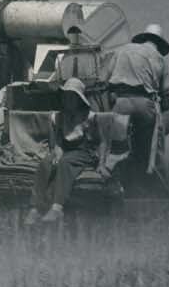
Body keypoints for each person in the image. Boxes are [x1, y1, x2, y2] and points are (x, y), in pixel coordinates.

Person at [26, 78, 111, 225]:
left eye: (72, 97)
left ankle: (57, 207)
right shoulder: (58, 117)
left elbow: (102, 141)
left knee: (65, 163)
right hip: (65, 150)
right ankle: (35, 208)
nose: (68, 100)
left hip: (84, 152)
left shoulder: (89, 117)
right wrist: (56, 152)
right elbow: (57, 142)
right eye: (66, 96)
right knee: (45, 163)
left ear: (79, 99)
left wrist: (102, 164)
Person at [107, 22, 169, 176]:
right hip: (144, 105)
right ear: (159, 43)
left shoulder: (122, 50)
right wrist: (162, 108)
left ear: (144, 38)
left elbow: (106, 79)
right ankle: (144, 174)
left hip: (120, 103)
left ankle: (111, 176)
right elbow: (166, 96)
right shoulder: (160, 59)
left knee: (116, 148)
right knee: (146, 150)